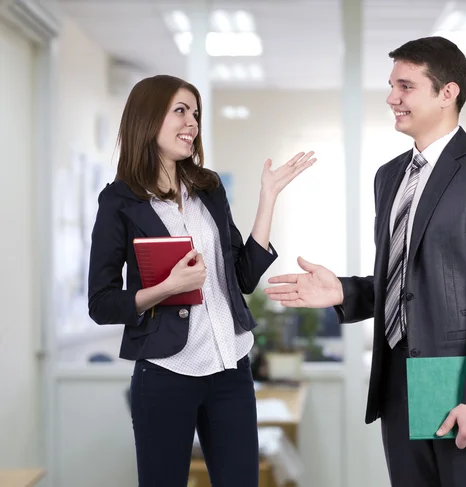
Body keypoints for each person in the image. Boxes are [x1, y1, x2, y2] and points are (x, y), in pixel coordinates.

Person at [265, 36, 466, 487]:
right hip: (398, 383)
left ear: (448, 93)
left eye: (405, 86)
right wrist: (346, 292)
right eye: (391, 86)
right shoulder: (389, 177)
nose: (392, 98)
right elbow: (410, 280)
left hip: (461, 386)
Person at [87, 74, 315, 487]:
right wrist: (167, 287)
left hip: (230, 369)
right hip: (165, 372)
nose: (192, 122)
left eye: (196, 113)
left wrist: (268, 197)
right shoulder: (119, 201)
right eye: (180, 111)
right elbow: (101, 303)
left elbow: (242, 276)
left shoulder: (207, 188)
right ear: (148, 118)